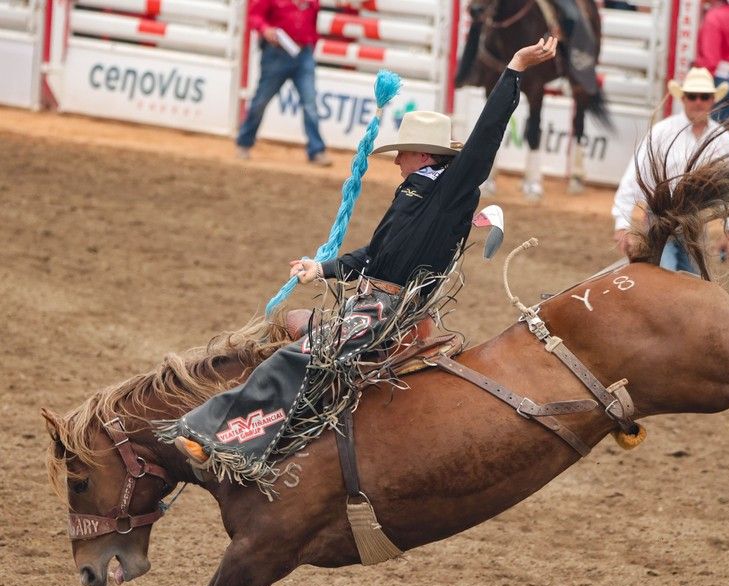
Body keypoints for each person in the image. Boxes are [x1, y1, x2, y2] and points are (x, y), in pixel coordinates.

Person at [172, 38, 560, 468]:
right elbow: (376, 253)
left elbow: (486, 137)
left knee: (297, 355)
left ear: (423, 154)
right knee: (291, 330)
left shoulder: (449, 189)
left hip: (386, 308)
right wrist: (321, 268)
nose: (396, 162)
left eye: (402, 153)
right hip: (372, 300)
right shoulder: (418, 190)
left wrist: (513, 69)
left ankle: (217, 436)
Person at [611, 67, 729, 272]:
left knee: (693, 283)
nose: (698, 101)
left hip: (695, 222)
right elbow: (634, 175)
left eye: (704, 96)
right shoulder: (662, 132)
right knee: (665, 275)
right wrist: (622, 223)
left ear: (712, 100)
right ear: (683, 99)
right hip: (660, 218)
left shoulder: (722, 140)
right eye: (692, 96)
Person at [235, 0, 332, 166]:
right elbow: (255, 16)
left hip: (302, 52)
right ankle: (244, 142)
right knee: (261, 101)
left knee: (310, 104)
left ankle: (316, 150)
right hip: (277, 53)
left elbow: (312, 22)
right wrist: (265, 29)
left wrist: (310, 44)